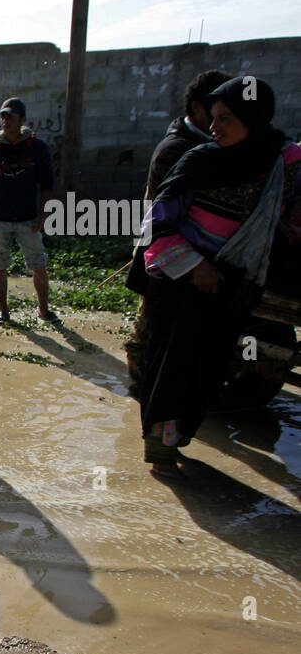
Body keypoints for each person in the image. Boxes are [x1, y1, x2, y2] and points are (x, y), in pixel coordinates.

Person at [134, 76, 301, 478]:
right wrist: (195, 265)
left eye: (225, 118)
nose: (214, 128)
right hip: (179, 281)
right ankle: (161, 454)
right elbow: (155, 224)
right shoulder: (197, 161)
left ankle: (178, 440)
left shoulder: (283, 163)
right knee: (171, 372)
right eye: (213, 118)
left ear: (253, 118)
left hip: (234, 284)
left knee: (206, 372)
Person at [123, 70, 232, 388]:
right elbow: (161, 218)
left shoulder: (210, 147)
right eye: (216, 113)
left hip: (196, 252)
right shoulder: (176, 150)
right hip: (164, 249)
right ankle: (144, 394)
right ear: (198, 109)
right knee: (150, 328)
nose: (218, 124)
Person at [0, 97, 59, 325]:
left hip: (28, 219)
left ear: (23, 119)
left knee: (38, 265)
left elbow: (47, 184)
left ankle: (43, 310)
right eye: (3, 116)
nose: (5, 121)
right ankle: (4, 313)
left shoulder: (37, 148)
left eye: (10, 117)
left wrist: (43, 215)